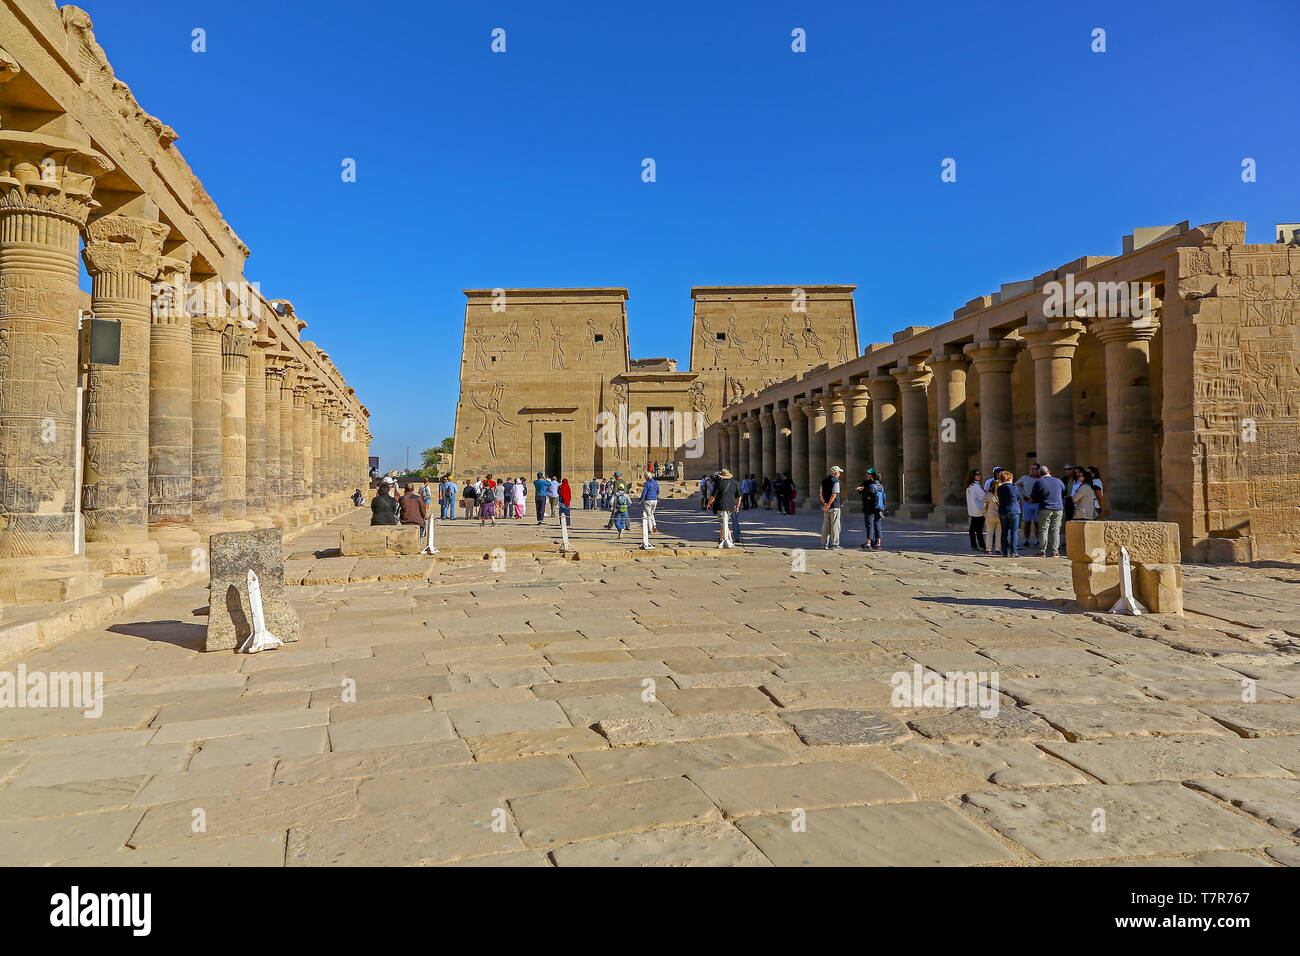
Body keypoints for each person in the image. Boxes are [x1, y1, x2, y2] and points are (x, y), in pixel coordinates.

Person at [1031, 464, 1066, 557]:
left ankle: (1042, 550)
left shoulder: (1039, 482)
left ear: (1039, 474)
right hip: (1058, 507)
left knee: (1043, 529)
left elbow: (1034, 497)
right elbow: (1064, 492)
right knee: (1055, 530)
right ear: (1049, 471)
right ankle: (1055, 551)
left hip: (1045, 507)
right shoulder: (1058, 481)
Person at [708, 468, 740, 548]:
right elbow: (739, 496)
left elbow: (713, 497)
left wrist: (708, 504)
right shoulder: (735, 483)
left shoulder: (719, 484)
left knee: (723, 523)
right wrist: (737, 506)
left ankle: (726, 539)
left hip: (721, 506)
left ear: (721, 476)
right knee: (725, 523)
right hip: (731, 506)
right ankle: (726, 538)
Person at [857, 468, 885, 550]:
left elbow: (867, 496)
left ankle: (868, 544)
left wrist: (863, 491)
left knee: (869, 526)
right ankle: (878, 544)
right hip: (879, 508)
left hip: (869, 508)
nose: (868, 475)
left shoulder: (870, 485)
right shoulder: (880, 485)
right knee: (878, 526)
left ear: (872, 476)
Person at [996, 468, 1021, 556]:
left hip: (1003, 511)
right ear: (1009, 478)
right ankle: (1014, 551)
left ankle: (1005, 552)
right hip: (1014, 511)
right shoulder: (1014, 488)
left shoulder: (999, 489)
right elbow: (1019, 498)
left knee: (1004, 532)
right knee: (1014, 532)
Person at [1016, 464, 1041, 550]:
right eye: (1031, 469)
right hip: (1027, 502)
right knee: (1027, 522)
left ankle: (1037, 540)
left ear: (1038, 470)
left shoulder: (1041, 479)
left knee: (1037, 523)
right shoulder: (1025, 478)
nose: (1033, 470)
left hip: (1038, 503)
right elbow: (1017, 485)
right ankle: (1027, 540)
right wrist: (1022, 494)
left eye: (1035, 469)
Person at [820, 465, 843, 550]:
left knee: (826, 525)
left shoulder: (823, 481)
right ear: (836, 473)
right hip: (834, 506)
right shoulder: (836, 481)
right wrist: (829, 504)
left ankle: (824, 544)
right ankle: (835, 544)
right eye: (839, 472)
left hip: (826, 507)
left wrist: (825, 504)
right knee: (835, 525)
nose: (840, 473)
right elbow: (834, 494)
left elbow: (821, 494)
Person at [965, 469, 987, 552]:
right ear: (973, 476)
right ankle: (982, 546)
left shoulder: (970, 486)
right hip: (979, 511)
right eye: (978, 474)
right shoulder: (976, 487)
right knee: (979, 530)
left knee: (972, 530)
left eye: (980, 474)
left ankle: (974, 545)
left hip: (973, 511)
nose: (979, 476)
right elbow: (984, 497)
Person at [983, 471, 1002, 556]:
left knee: (989, 534)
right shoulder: (1001, 495)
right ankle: (998, 549)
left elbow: (984, 505)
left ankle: (988, 549)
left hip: (990, 516)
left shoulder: (988, 494)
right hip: (999, 516)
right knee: (999, 534)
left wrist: (985, 513)